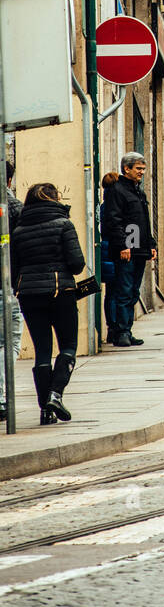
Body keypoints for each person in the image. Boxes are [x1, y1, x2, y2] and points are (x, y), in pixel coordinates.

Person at [10, 181, 85, 425]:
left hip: (29, 295)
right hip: (60, 291)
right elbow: (77, 264)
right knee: (68, 346)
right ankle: (55, 394)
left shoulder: (19, 230)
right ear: (54, 199)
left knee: (42, 351)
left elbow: (12, 269)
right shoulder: (64, 224)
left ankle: (46, 411)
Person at [101, 153, 156, 347]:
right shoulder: (117, 190)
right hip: (126, 250)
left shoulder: (137, 191)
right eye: (138, 169)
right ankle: (121, 332)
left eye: (143, 169)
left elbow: (143, 221)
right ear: (127, 168)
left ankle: (126, 330)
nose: (142, 172)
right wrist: (123, 245)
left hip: (140, 248)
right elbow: (113, 220)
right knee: (123, 291)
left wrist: (151, 244)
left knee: (133, 291)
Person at [0, 161, 24, 423]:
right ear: (8, 181)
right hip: (6, 287)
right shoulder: (16, 208)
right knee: (9, 342)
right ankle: (2, 400)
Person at [99, 173, 120, 345]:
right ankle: (116, 327)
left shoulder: (103, 205)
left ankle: (111, 327)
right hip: (115, 249)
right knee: (117, 292)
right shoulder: (116, 204)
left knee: (111, 293)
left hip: (105, 249)